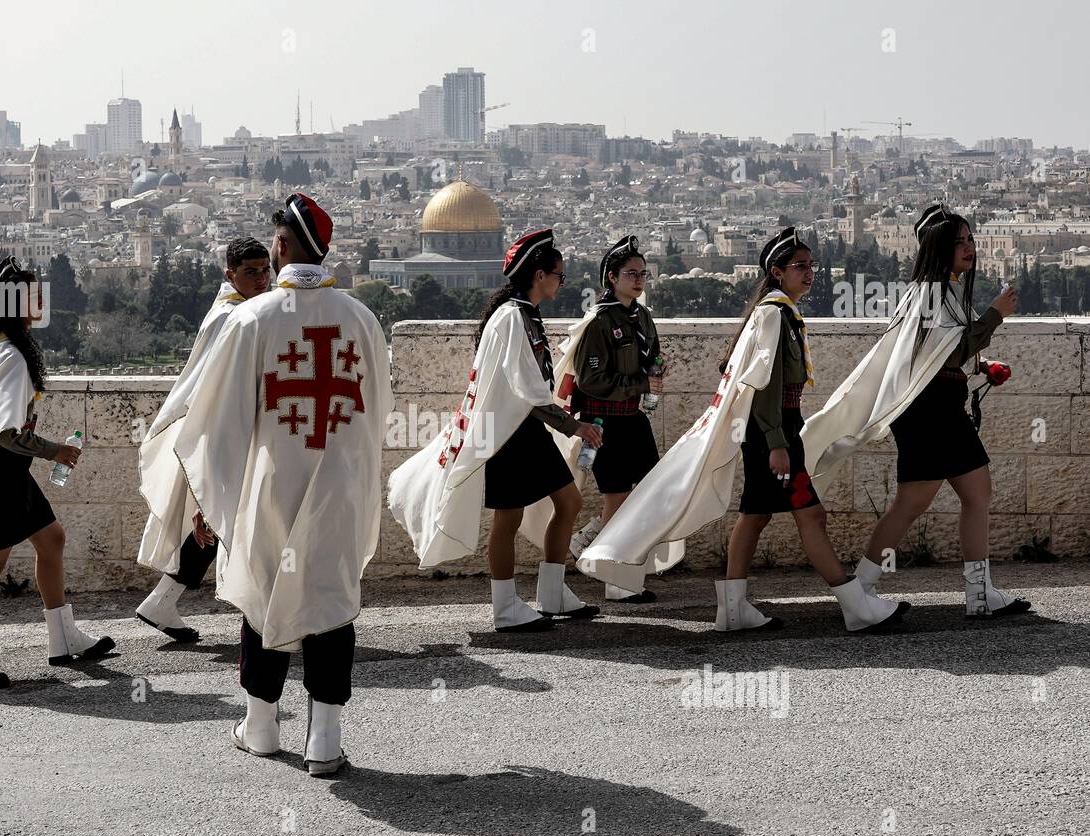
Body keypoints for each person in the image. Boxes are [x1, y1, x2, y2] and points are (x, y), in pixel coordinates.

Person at [579, 228, 908, 633]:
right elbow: (763, 385)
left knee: (756, 514)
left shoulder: (779, 313)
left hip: (774, 431)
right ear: (777, 272)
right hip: (774, 433)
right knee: (809, 515)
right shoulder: (774, 314)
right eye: (800, 266)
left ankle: (734, 609)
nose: (809, 273)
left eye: (811, 265)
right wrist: (777, 444)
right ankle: (854, 605)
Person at [171, 193, 391, 776]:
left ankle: (262, 725)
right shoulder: (362, 320)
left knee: (263, 592)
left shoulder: (252, 319)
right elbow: (377, 414)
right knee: (331, 597)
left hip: (270, 486)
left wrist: (209, 500)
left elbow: (220, 424)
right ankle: (324, 738)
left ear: (282, 245)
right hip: (340, 485)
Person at [801, 203, 1029, 617]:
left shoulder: (938, 291)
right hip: (931, 410)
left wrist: (982, 367)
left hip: (936, 407)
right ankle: (864, 590)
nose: (969, 248)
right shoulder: (932, 293)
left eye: (970, 239)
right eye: (958, 242)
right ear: (938, 247)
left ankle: (974, 593)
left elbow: (939, 353)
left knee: (970, 493)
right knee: (917, 501)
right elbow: (950, 351)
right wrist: (996, 314)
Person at [388, 229, 604, 632]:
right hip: (507, 433)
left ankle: (551, 593)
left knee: (568, 502)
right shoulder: (512, 318)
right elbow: (526, 388)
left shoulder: (522, 314)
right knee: (509, 517)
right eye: (559, 275)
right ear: (539, 275)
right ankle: (505, 608)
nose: (562, 282)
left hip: (522, 428)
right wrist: (574, 426)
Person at [0, 256, 114, 691]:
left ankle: (63, 638)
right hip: (0, 475)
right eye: (32, 294)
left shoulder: (1, 348)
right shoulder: (10, 356)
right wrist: (55, 451)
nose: (40, 299)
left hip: (9, 474)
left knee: (51, 539)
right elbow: (5, 433)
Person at [136, 238, 272, 640]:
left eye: (265, 270)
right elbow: (212, 388)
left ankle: (162, 600)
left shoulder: (239, 311)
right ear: (230, 274)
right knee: (225, 521)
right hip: (216, 433)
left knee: (222, 522)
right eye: (251, 272)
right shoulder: (231, 318)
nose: (262, 279)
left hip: (226, 431)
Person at [559, 235, 666, 603]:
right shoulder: (600, 321)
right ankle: (616, 580)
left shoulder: (642, 316)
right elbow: (591, 380)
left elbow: (651, 356)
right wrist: (640, 383)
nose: (638, 280)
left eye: (643, 273)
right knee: (618, 495)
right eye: (630, 273)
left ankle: (590, 538)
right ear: (612, 278)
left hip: (633, 417)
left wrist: (654, 372)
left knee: (650, 492)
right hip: (603, 422)